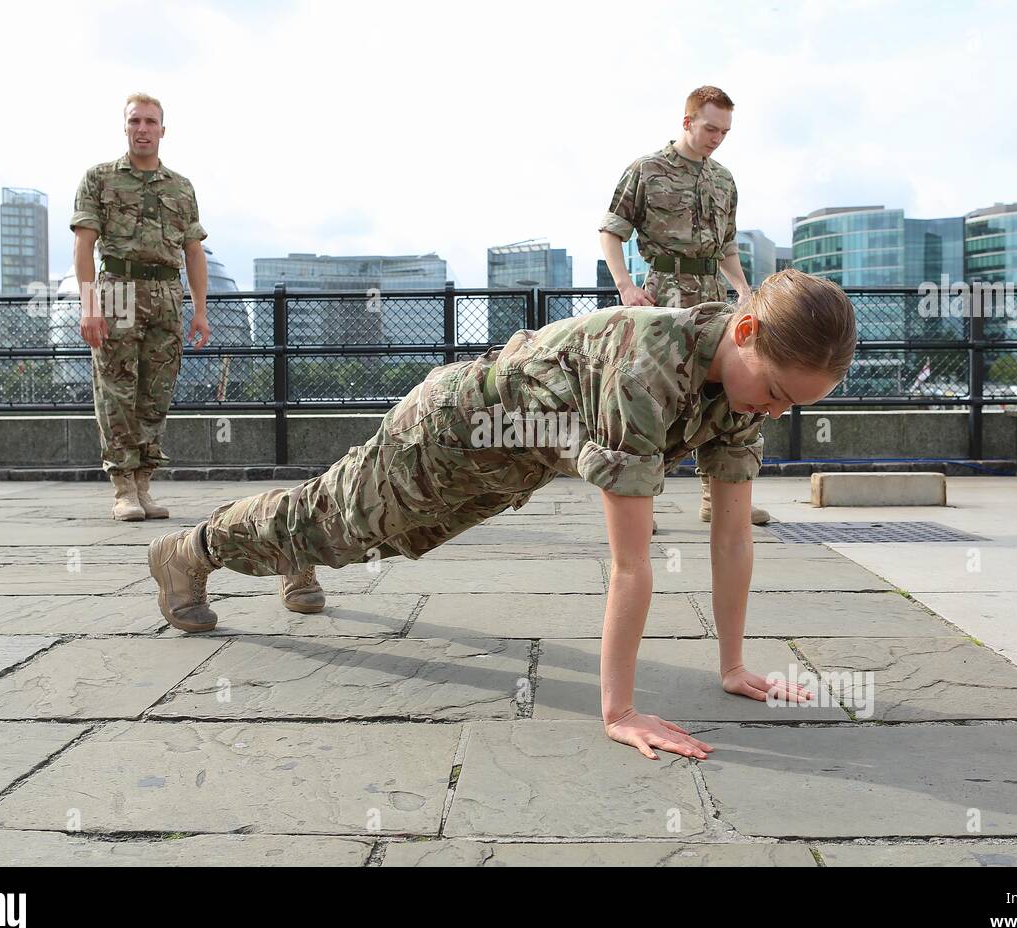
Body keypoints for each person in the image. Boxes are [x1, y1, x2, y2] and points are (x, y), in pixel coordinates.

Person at [148, 270, 857, 760]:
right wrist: (618, 713)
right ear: (744, 329)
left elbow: (732, 536)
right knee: (334, 523)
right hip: (450, 431)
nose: (772, 411)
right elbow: (630, 564)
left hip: (512, 461)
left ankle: (294, 546)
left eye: (792, 406)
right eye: (772, 391)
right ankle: (189, 552)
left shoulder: (742, 388)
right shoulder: (645, 366)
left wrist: (733, 666)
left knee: (354, 533)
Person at [599, 84, 769, 527]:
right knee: (657, 396)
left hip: (714, 297)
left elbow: (727, 246)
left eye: (725, 131)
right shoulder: (647, 169)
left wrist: (745, 292)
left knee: (725, 394)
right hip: (663, 297)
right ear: (687, 121)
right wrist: (625, 286)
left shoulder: (723, 179)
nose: (717, 137)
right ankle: (639, 506)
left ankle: (720, 498)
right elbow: (611, 230)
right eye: (711, 127)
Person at [71, 92, 211, 521]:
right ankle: (123, 488)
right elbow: (84, 244)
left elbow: (193, 251)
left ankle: (145, 483)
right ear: (125, 127)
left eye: (150, 122)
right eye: (135, 122)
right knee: (116, 390)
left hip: (167, 293)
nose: (143, 129)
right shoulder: (99, 178)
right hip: (118, 291)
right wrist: (89, 305)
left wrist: (200, 311)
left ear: (162, 130)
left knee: (156, 393)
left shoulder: (180, 187)